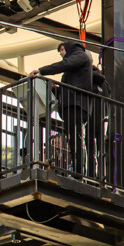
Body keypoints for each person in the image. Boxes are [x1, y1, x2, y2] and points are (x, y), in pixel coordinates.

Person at [30, 40, 93, 177]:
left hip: (76, 105)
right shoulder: (73, 68)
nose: (61, 54)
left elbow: (65, 64)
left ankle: (78, 173)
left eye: (63, 50)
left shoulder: (81, 56)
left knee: (76, 139)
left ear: (70, 48)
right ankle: (77, 172)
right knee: (73, 140)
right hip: (72, 105)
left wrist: (42, 71)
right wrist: (56, 90)